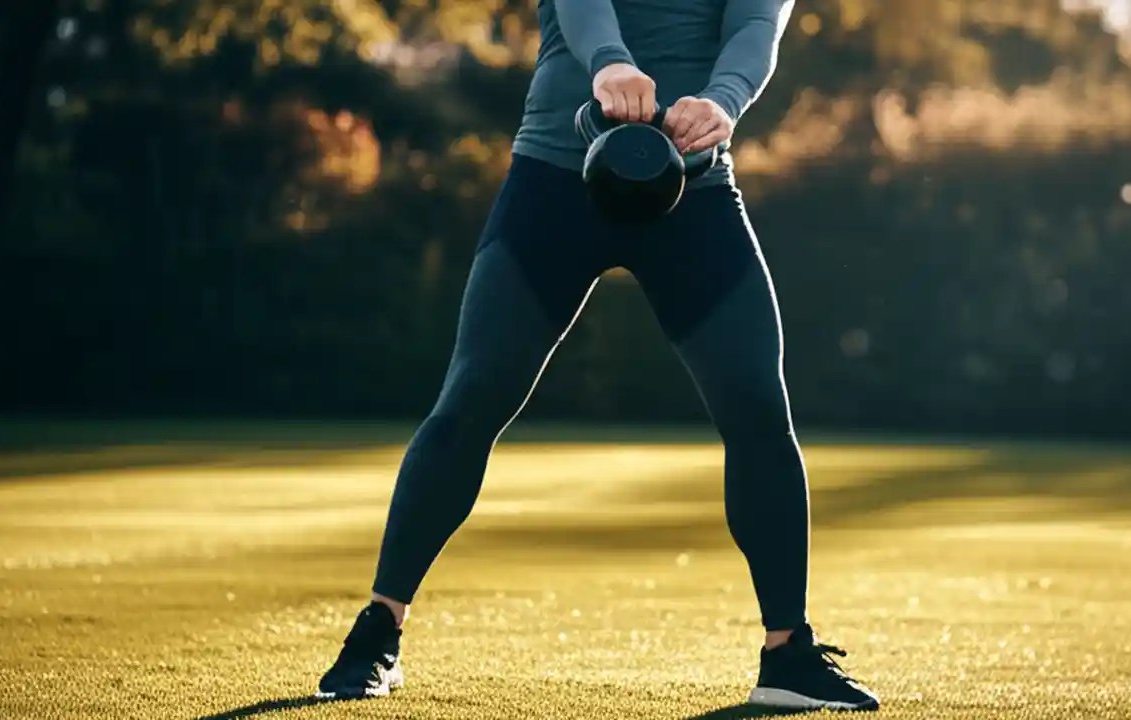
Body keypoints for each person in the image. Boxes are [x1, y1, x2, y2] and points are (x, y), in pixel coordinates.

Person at [316, 0, 880, 711]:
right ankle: (378, 632)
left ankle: (787, 657)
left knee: (758, 411)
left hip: (693, 186)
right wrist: (610, 64)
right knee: (472, 398)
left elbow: (756, 27)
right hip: (557, 178)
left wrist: (722, 101)